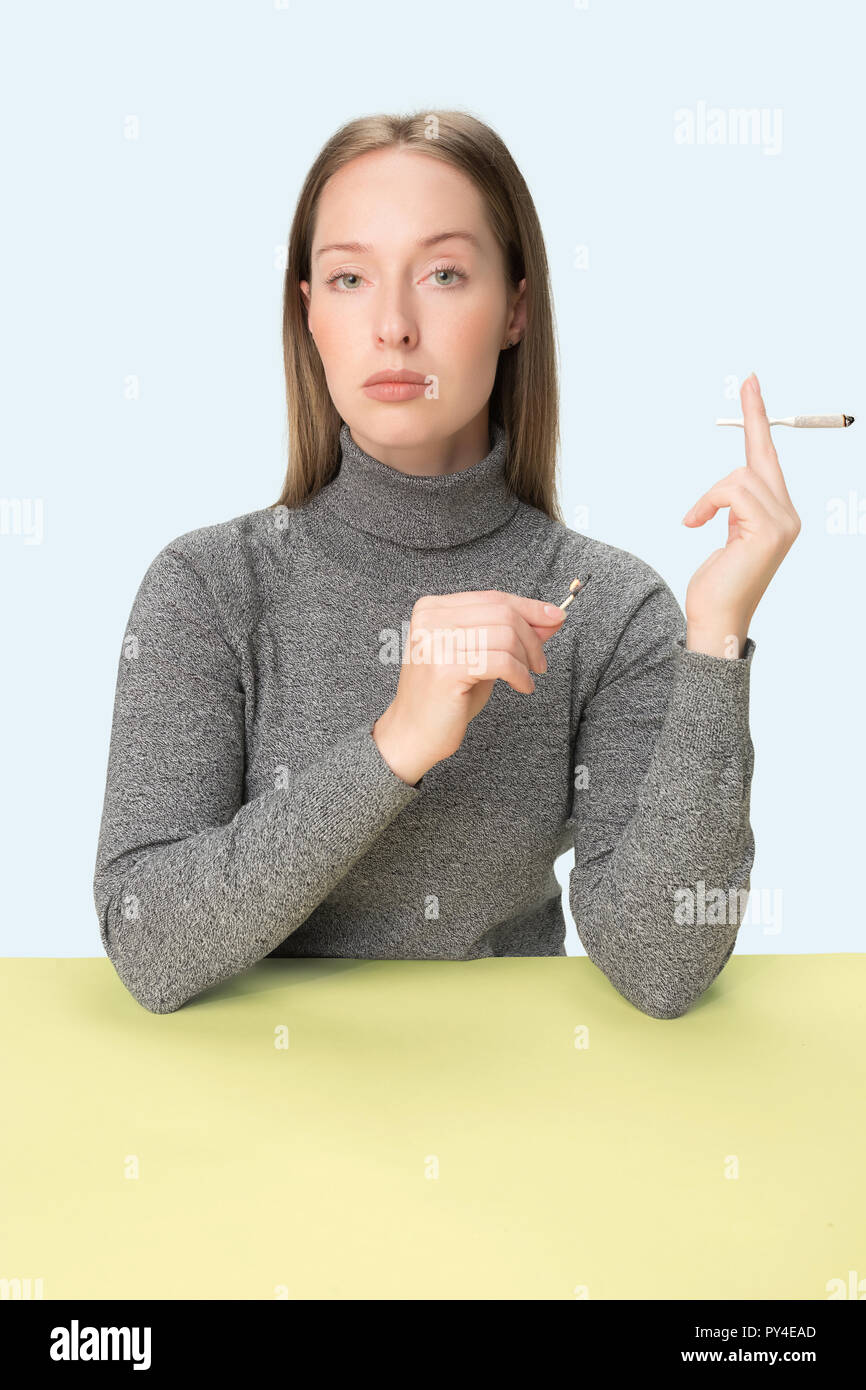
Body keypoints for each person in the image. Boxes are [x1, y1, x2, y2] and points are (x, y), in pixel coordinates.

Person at [92, 110, 800, 1017]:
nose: (392, 326)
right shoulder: (207, 588)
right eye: (350, 278)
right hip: (248, 1130)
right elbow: (147, 946)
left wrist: (716, 642)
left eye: (443, 275)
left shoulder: (612, 607)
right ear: (308, 309)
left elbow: (660, 965)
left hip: (514, 1125)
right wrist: (397, 745)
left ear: (514, 309)